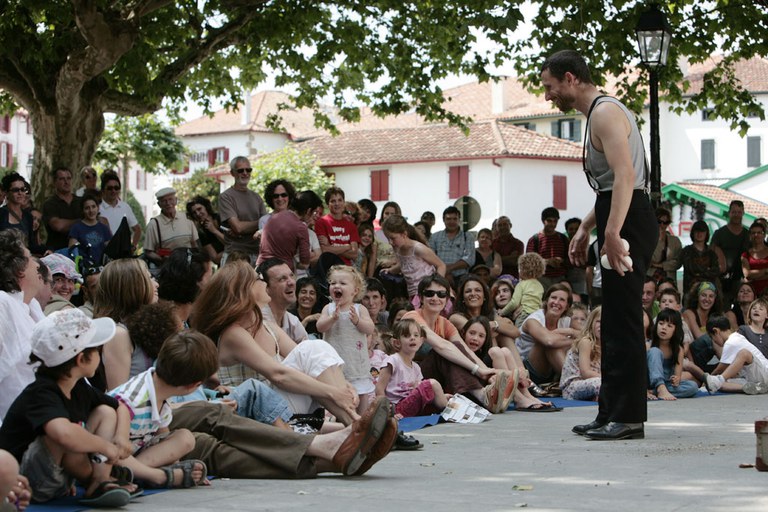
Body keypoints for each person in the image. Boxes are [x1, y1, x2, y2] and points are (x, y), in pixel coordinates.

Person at [542, 49, 657, 440]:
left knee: (624, 322)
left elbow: (626, 178)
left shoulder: (605, 113)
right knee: (610, 323)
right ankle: (609, 410)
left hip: (630, 219)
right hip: (617, 213)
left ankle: (628, 418)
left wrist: (612, 233)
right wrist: (586, 227)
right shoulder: (597, 115)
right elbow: (609, 189)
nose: (547, 96)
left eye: (550, 86)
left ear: (571, 78)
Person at [0, 309, 141, 507]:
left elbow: (119, 407)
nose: (100, 356)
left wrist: (121, 436)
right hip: (24, 482)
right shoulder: (41, 393)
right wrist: (105, 447)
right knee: (65, 434)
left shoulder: (78, 387)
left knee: (104, 411)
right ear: (81, 359)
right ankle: (95, 479)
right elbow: (64, 435)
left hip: (57, 476)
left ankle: (100, 480)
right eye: (97, 351)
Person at [190, 261, 359, 426]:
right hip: (256, 413)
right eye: (258, 278)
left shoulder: (267, 326)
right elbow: (279, 375)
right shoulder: (234, 333)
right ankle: (354, 423)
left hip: (279, 407)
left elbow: (311, 362)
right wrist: (334, 392)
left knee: (314, 347)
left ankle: (354, 424)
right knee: (313, 346)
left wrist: (344, 386)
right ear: (244, 290)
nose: (263, 282)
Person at [108, 330, 214, 489]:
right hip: (111, 456)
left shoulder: (159, 390)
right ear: (193, 385)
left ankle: (135, 473)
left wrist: (177, 466)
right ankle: (135, 474)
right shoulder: (133, 400)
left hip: (136, 454)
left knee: (185, 437)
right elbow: (110, 445)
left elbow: (163, 435)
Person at [402, 274, 516, 414]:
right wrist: (478, 370)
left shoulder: (446, 323)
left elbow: (465, 351)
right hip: (411, 379)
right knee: (443, 352)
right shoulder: (412, 317)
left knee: (459, 351)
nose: (436, 298)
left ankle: (511, 397)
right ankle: (481, 395)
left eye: (441, 294)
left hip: (439, 381)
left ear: (447, 299)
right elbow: (441, 345)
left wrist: (487, 373)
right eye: (430, 293)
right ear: (420, 297)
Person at [317, 266, 375, 414]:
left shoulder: (359, 309)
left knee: (362, 398)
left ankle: (362, 423)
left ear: (355, 291)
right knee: (337, 402)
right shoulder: (328, 309)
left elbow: (369, 328)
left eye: (342, 283)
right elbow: (320, 327)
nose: (337, 286)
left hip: (356, 364)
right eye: (333, 283)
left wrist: (357, 321)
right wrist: (331, 319)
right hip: (335, 366)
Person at [0, 230, 46, 419]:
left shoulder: (31, 305)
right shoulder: (2, 303)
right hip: (18, 426)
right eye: (30, 258)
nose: (37, 265)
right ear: (19, 269)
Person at [93, 258, 159, 390]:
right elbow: (118, 396)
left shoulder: (144, 327)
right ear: (132, 286)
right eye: (149, 278)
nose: (156, 284)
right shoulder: (119, 334)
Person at [375, 318, 450, 418]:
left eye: (416, 335)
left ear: (421, 341)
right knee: (432, 383)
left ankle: (447, 404)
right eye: (407, 336)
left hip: (411, 405)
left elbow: (418, 391)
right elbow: (379, 389)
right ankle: (449, 410)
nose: (412, 338)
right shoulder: (393, 361)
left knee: (432, 395)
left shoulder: (416, 367)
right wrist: (387, 413)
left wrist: (440, 395)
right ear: (397, 342)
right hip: (396, 408)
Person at [515, 283, 579, 386]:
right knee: (550, 345)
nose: (556, 302)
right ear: (546, 300)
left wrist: (572, 332)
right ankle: (574, 383)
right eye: (553, 298)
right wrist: (574, 340)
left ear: (567, 306)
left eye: (562, 300)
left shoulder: (567, 321)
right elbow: (549, 341)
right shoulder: (534, 319)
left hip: (552, 369)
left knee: (564, 343)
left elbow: (587, 335)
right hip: (528, 371)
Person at [382, 214, 445, 299]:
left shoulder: (418, 249)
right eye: (387, 238)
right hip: (413, 293)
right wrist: (390, 270)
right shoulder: (398, 248)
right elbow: (404, 264)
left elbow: (441, 265)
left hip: (428, 292)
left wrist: (436, 287)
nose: (390, 242)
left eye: (393, 238)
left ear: (404, 234)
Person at [218, 156, 267, 265]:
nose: (245, 173)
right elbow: (238, 228)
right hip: (235, 256)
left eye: (248, 170)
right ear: (232, 173)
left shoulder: (256, 197)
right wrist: (260, 222)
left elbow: (267, 225)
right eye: (240, 170)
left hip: (257, 255)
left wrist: (261, 223)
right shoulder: (226, 197)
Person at [704, 316, 768, 395]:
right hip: (754, 378)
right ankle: (751, 387)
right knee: (721, 385)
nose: (713, 341)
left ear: (716, 331)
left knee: (744, 353)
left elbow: (720, 369)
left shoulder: (731, 342)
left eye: (711, 337)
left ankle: (717, 381)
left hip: (765, 373)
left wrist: (709, 380)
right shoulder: (736, 337)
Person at [258, 184, 313, 272]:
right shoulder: (301, 227)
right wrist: (296, 264)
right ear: (308, 211)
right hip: (282, 272)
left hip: (262, 268)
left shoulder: (273, 218)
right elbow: (305, 263)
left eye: (284, 195)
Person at [647, 309, 699, 400]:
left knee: (693, 387)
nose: (664, 327)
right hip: (649, 382)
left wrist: (676, 379)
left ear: (676, 330)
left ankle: (657, 391)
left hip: (667, 384)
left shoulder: (678, 349)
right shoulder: (648, 346)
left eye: (669, 326)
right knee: (655, 351)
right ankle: (659, 388)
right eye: (661, 323)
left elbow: (677, 376)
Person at [257, 258, 309, 343]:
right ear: (266, 288)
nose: (291, 282)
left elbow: (308, 353)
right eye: (282, 279)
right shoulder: (257, 321)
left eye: (291, 275)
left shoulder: (293, 322)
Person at [157, 248, 213, 326]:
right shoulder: (174, 327)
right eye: (210, 277)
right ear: (197, 282)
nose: (212, 283)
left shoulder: (160, 314)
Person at [144, 187, 198, 266]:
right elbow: (148, 252)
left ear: (176, 200)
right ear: (159, 204)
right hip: (167, 270)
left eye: (170, 199)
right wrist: (164, 261)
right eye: (164, 201)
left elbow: (194, 245)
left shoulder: (187, 218)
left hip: (188, 267)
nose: (168, 203)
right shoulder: (153, 224)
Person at [711, 200, 749, 306]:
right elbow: (711, 252)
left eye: (739, 212)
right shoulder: (719, 233)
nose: (736, 215)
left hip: (740, 279)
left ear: (743, 213)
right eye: (734, 212)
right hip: (721, 278)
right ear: (729, 213)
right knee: (721, 307)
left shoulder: (747, 234)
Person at [560, 307, 602, 401]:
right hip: (573, 386)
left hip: (593, 382)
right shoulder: (586, 342)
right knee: (600, 383)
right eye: (599, 321)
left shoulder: (608, 345)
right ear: (591, 322)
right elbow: (585, 373)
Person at [314, 187, 360, 269]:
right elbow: (324, 250)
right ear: (328, 204)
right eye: (333, 201)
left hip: (347, 269)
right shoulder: (321, 223)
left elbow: (354, 254)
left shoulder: (351, 226)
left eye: (340, 200)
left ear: (344, 202)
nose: (337, 204)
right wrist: (347, 247)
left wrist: (331, 246)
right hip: (328, 268)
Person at [429, 206, 475, 287]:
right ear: (443, 220)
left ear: (459, 219)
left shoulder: (468, 236)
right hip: (440, 277)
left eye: (455, 219)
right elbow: (430, 259)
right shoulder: (435, 237)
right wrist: (444, 273)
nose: (452, 222)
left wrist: (448, 269)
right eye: (449, 219)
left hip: (461, 277)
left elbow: (469, 259)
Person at [526, 207, 570, 290]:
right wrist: (547, 262)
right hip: (541, 279)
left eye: (555, 221)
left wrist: (561, 261)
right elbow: (529, 262)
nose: (553, 224)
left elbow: (569, 259)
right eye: (549, 221)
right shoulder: (535, 239)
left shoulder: (563, 238)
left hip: (560, 278)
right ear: (543, 221)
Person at [0, 173, 45, 255]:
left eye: (23, 189)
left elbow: (31, 245)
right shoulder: (1, 214)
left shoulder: (28, 216)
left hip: (23, 259)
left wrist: (47, 249)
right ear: (6, 193)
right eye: (16, 190)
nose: (20, 193)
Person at [99, 172, 141, 254]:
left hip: (122, 253)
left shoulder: (125, 207)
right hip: (103, 252)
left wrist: (133, 246)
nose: (113, 191)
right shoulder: (97, 208)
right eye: (110, 188)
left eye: (116, 188)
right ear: (103, 190)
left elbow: (137, 229)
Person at [499, 252, 546, 326]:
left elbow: (514, 303)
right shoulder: (540, 285)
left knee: (519, 335)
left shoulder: (521, 284)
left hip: (523, 314)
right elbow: (539, 303)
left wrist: (502, 312)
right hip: (537, 315)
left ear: (523, 270)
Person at [42, 167, 82, 251]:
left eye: (69, 178)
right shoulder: (49, 204)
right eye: (62, 179)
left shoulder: (81, 202)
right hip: (57, 252)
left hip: (81, 251)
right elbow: (58, 226)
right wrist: (82, 221)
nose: (66, 182)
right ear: (54, 182)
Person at [680, 220, 724, 295]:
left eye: (702, 231)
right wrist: (707, 270)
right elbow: (691, 268)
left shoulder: (711, 253)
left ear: (706, 233)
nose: (699, 234)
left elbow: (716, 271)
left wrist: (699, 272)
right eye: (697, 231)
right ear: (692, 233)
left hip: (708, 291)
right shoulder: (686, 251)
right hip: (690, 291)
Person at [68, 194, 112, 267]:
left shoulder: (104, 228)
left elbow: (110, 250)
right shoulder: (76, 228)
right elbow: (72, 251)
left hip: (103, 268)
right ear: (82, 210)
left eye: (93, 207)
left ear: (98, 208)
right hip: (84, 269)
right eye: (87, 208)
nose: (91, 210)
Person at [186, 196, 225, 265]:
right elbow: (215, 259)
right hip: (225, 265)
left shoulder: (222, 218)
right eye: (194, 213)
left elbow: (236, 243)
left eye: (199, 209)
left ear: (206, 207)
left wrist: (214, 230)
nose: (198, 214)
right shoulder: (202, 232)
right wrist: (233, 250)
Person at [647, 208, 683, 282]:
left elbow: (678, 262)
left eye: (665, 222)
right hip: (649, 278)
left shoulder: (675, 241)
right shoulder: (646, 239)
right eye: (659, 221)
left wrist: (658, 265)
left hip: (669, 279)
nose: (662, 225)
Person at [741, 221, 768, 297]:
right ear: (750, 235)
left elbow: (750, 277)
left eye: (759, 232)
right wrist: (766, 271)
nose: (756, 235)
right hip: (752, 293)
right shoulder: (745, 255)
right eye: (753, 233)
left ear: (764, 234)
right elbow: (747, 274)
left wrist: (754, 277)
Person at [564, 217, 587, 297]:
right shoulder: (562, 245)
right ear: (567, 230)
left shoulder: (586, 246)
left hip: (582, 282)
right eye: (571, 229)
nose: (574, 231)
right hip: (565, 281)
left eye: (576, 229)